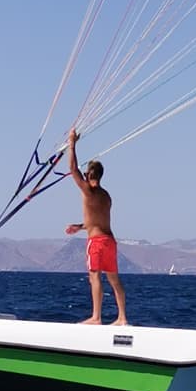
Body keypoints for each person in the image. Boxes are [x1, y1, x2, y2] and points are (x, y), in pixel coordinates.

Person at [65, 127, 127, 326]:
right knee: (114, 279)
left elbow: (72, 169)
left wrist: (72, 143)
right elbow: (97, 220)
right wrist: (80, 226)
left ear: (89, 174)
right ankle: (122, 318)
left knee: (94, 276)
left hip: (97, 242)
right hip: (109, 240)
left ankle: (96, 317)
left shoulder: (88, 191)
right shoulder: (106, 196)